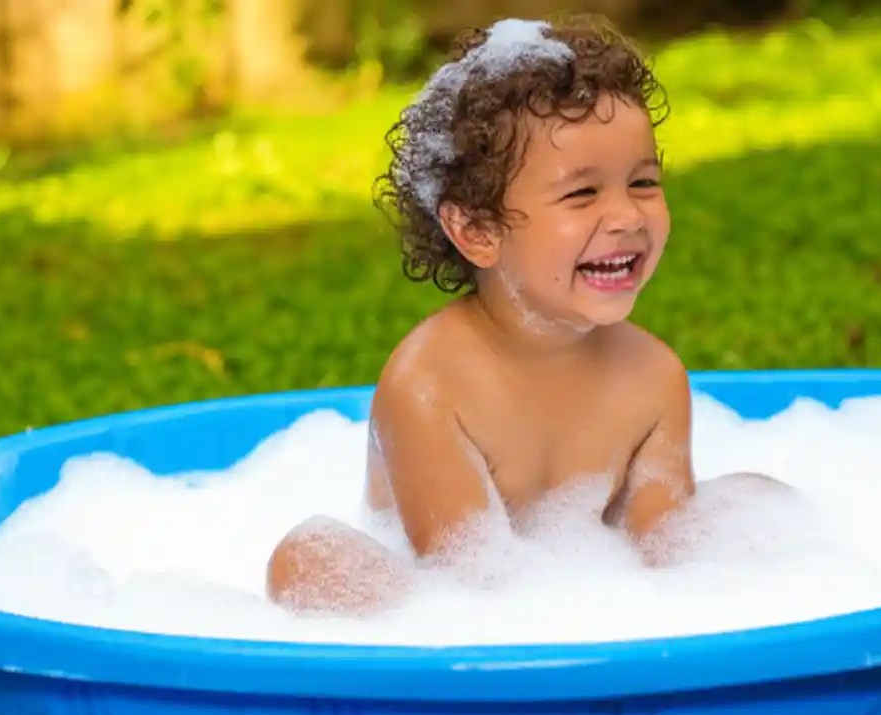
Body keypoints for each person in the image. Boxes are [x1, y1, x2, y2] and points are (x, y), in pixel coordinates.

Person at [266, 15, 747, 615]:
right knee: (306, 557)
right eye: (582, 193)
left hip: (571, 598)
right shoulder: (432, 386)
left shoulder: (654, 379)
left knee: (753, 503)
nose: (627, 215)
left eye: (644, 182)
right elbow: (468, 589)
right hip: (449, 611)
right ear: (476, 230)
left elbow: (667, 566)